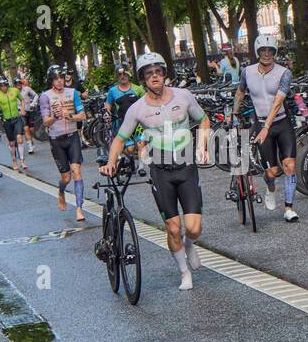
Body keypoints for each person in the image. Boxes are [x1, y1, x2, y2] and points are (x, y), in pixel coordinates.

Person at [102, 52, 211, 291]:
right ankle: (184, 274)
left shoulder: (183, 96)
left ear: (164, 74)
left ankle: (189, 245)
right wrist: (111, 162)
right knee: (172, 227)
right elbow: (120, 139)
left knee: (193, 228)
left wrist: (202, 146)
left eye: (158, 72)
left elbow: (203, 120)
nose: (154, 76)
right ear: (142, 78)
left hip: (186, 167)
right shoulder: (137, 109)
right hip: (160, 172)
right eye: (149, 73)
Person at [234, 35, 300, 222]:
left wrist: (266, 127)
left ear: (274, 53)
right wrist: (233, 114)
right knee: (271, 172)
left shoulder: (284, 73)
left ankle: (288, 208)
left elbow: (278, 102)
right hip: (260, 123)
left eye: (270, 51)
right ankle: (271, 189)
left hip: (281, 123)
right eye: (263, 50)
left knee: (290, 166)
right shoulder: (247, 72)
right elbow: (240, 92)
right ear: (257, 52)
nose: (266, 54)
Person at [39, 66, 87, 222]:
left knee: (77, 171)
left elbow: (83, 115)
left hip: (72, 137)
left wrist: (70, 116)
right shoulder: (45, 97)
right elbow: (46, 122)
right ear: (51, 80)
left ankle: (79, 208)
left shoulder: (72, 93)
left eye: (61, 77)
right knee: (66, 178)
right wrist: (55, 117)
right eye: (56, 78)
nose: (59, 80)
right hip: (56, 140)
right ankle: (61, 192)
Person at [104, 65, 140, 138]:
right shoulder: (112, 91)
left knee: (141, 146)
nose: (122, 76)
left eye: (125, 74)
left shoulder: (138, 89)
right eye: (119, 74)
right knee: (129, 149)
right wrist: (107, 117)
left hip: (139, 124)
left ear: (129, 74)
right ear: (116, 76)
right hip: (122, 124)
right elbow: (108, 106)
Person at [18, 77, 39, 154]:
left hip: (29, 111)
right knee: (26, 129)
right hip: (21, 112)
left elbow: (36, 95)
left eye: (19, 83)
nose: (18, 85)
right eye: (16, 84)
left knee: (31, 130)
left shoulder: (27, 89)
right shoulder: (14, 92)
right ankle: (30, 147)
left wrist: (33, 104)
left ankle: (32, 139)